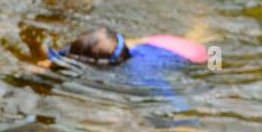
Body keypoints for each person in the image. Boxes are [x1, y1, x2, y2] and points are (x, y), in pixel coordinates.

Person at [40, 26, 209, 115]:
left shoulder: (141, 75)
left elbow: (174, 100)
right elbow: (72, 51)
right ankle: (200, 30)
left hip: (194, 55)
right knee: (196, 36)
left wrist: (188, 126)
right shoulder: (115, 52)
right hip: (159, 42)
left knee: (214, 66)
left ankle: (206, 39)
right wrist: (51, 61)